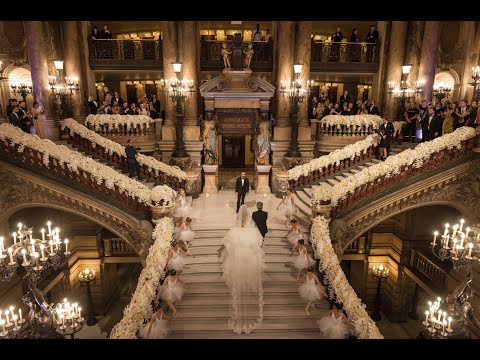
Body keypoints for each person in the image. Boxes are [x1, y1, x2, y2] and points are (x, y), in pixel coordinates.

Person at [220, 205, 265, 334]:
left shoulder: (235, 229)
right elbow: (258, 242)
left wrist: (234, 249)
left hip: (238, 256)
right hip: (248, 256)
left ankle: (237, 317)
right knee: (249, 275)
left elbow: (228, 243)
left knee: (238, 278)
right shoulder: (252, 230)